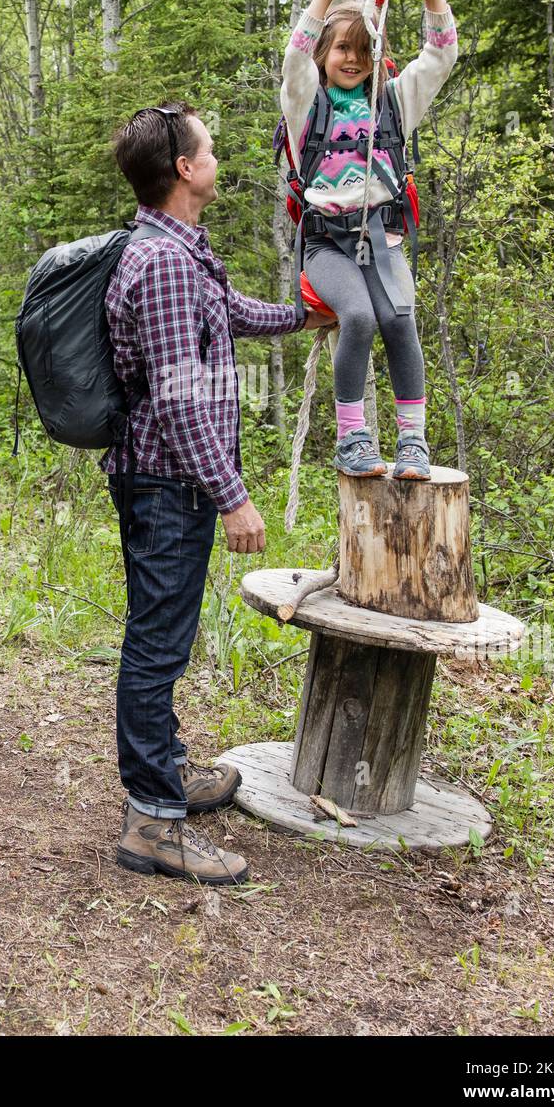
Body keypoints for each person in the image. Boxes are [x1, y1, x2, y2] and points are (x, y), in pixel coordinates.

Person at [102, 103, 331, 884]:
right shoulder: (162, 262)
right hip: (167, 478)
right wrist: (231, 495)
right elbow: (175, 395)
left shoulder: (181, 250)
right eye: (209, 147)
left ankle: (164, 772)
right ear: (183, 170)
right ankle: (152, 825)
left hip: (170, 475)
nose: (217, 155)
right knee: (157, 645)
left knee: (162, 635)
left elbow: (225, 316)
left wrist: (302, 318)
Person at [280, 0, 458, 480]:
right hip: (327, 246)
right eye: (341, 49)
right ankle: (352, 437)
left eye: (363, 50)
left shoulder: (394, 103)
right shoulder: (306, 106)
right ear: (323, 55)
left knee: (400, 319)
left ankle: (412, 441)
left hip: (383, 240)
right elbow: (293, 58)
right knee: (357, 316)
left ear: (378, 57)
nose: (353, 60)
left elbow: (440, 56)